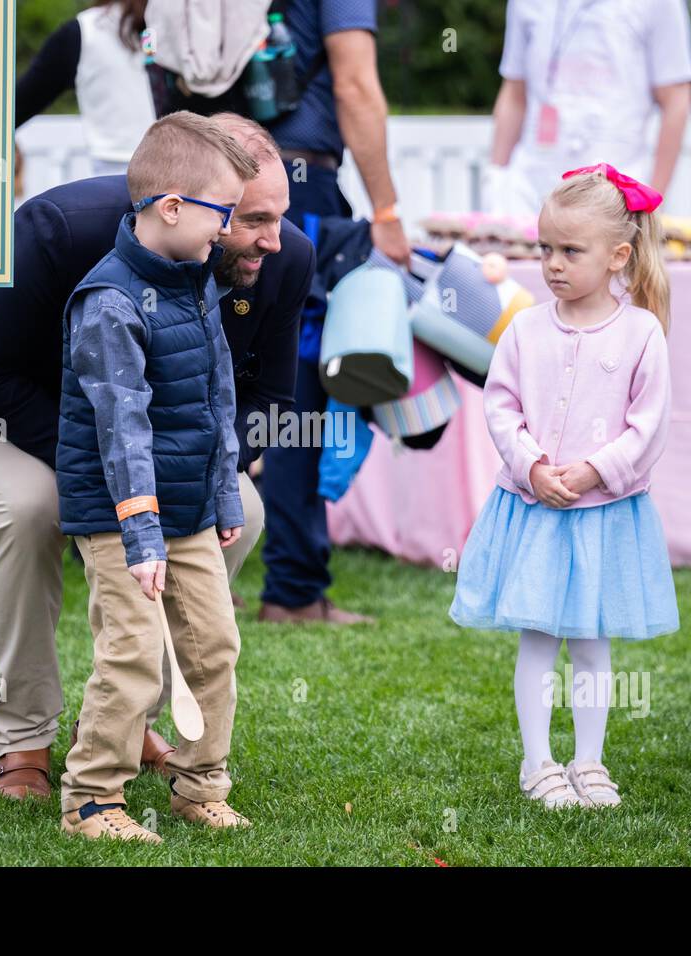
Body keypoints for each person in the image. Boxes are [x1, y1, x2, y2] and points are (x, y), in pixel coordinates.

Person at [0, 113, 313, 802]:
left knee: (239, 507)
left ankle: (132, 721)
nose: (274, 239)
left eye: (280, 216)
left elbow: (268, 396)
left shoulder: (279, 255)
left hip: (144, 434)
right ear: (183, 200)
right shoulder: (61, 229)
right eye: (250, 219)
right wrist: (110, 473)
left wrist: (178, 471)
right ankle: (22, 735)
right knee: (33, 508)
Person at [449, 164, 679, 809]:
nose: (551, 263)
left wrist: (594, 471)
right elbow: (501, 406)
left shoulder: (641, 333)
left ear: (618, 255)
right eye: (544, 247)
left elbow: (649, 423)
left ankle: (590, 761)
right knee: (539, 639)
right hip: (536, 509)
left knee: (591, 644)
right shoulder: (525, 328)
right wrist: (533, 467)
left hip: (604, 513)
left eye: (570, 250)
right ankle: (538, 762)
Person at [57, 112, 257, 842]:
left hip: (190, 506)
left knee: (213, 642)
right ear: (171, 206)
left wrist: (225, 487)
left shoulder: (194, 279)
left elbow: (218, 391)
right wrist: (141, 533)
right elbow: (122, 426)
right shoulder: (109, 302)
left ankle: (199, 783)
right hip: (119, 515)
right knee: (134, 652)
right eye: (223, 214)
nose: (229, 230)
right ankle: (91, 801)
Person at [254, 0, 408, 625]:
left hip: (208, 183)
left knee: (206, 373)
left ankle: (196, 573)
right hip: (294, 189)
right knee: (297, 388)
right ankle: (292, 591)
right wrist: (388, 211)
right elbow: (354, 83)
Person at [485, 0, 691, 217]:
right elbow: (514, 93)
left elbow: (676, 99)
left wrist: (650, 204)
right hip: (529, 191)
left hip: (615, 198)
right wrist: (496, 181)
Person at [15, 0, 153, 176]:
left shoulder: (85, 31)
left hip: (115, 175)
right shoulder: (171, 26)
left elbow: (14, 109)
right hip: (180, 174)